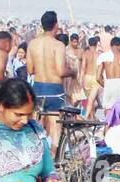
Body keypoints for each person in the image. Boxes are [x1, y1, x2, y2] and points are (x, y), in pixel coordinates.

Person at [25, 11, 74, 146]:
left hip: (38, 87)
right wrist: (73, 72)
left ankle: (36, 150)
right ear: (56, 25)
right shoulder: (58, 45)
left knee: (36, 120)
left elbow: (30, 70)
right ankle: (53, 154)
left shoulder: (32, 44)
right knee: (54, 122)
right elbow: (60, 71)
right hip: (54, 88)